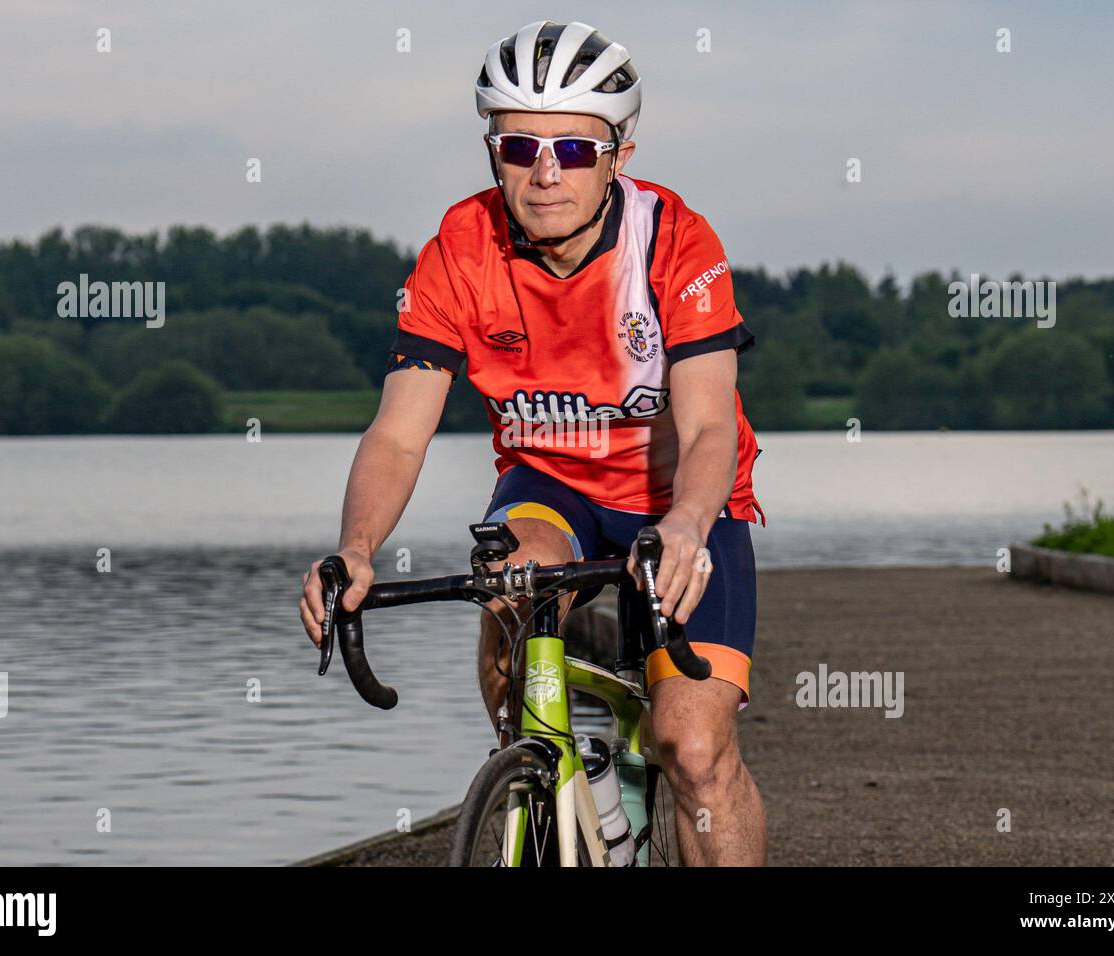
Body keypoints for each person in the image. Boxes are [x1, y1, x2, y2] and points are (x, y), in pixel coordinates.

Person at [300, 20, 767, 866]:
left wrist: (692, 524)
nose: (545, 173)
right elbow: (400, 436)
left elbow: (707, 426)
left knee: (694, 751)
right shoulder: (459, 250)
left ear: (619, 153)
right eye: (519, 146)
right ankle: (562, 782)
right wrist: (357, 549)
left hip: (680, 498)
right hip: (552, 490)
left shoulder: (676, 242)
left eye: (575, 151)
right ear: (492, 151)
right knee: (507, 588)